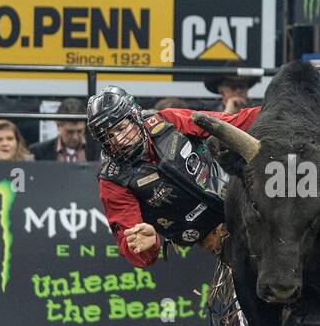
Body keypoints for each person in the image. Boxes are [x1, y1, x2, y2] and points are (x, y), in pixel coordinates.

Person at [90, 85, 260, 267]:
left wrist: (274, 110)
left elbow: (229, 123)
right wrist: (150, 242)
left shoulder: (167, 120)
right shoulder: (112, 181)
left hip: (245, 200)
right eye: (108, 137)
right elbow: (134, 246)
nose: (118, 140)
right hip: (217, 237)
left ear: (135, 117)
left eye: (122, 128)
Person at [31, 97, 99, 162]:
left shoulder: (98, 151)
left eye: (79, 131)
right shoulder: (38, 152)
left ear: (85, 126)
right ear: (58, 126)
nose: (75, 137)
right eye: (69, 132)